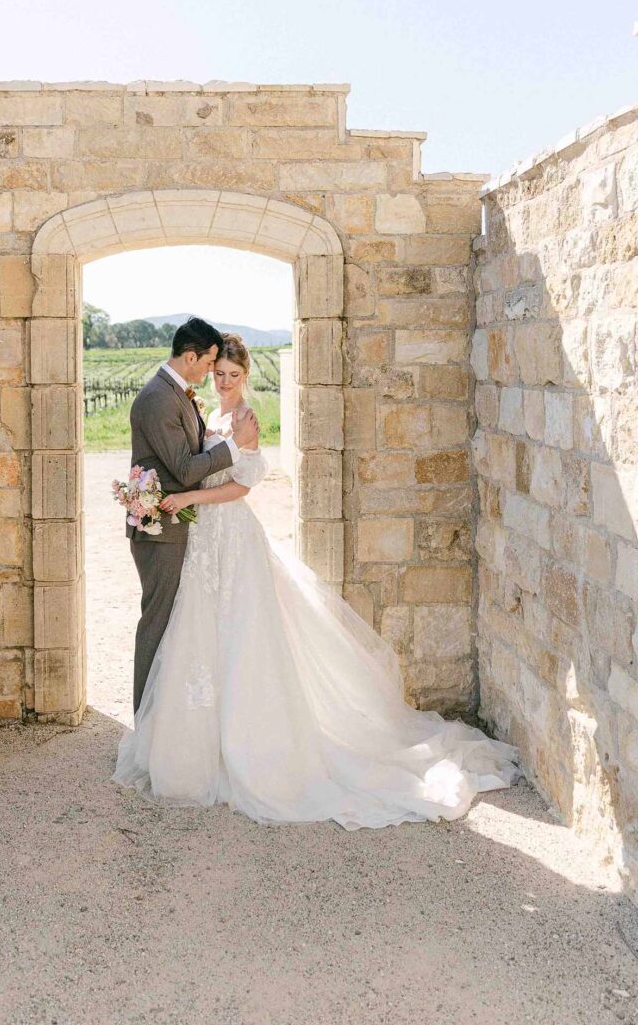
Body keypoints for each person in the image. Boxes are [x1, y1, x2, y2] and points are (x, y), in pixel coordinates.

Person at [114, 333, 520, 829]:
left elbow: (240, 484)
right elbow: (187, 464)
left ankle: (249, 745)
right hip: (202, 544)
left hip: (230, 534)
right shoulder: (203, 413)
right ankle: (192, 741)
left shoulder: (244, 420)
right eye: (219, 373)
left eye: (233, 375)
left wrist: (189, 499)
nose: (223, 381)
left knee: (242, 634)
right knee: (196, 632)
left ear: (246, 377)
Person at [125, 317, 259, 713]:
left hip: (192, 527)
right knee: (159, 626)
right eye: (210, 366)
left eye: (228, 372)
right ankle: (148, 723)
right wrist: (234, 447)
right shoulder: (158, 398)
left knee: (182, 629)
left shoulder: (177, 394)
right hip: (162, 528)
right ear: (191, 356)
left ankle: (167, 720)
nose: (213, 376)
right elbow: (184, 469)